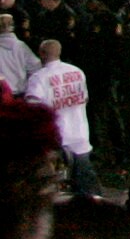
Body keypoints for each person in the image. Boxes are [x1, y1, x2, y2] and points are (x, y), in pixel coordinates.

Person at [26, 37, 94, 198]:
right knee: (86, 185)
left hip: (57, 139)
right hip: (80, 134)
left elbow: (33, 109)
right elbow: (84, 98)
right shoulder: (77, 71)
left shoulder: (39, 78)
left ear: (41, 54)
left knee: (57, 188)